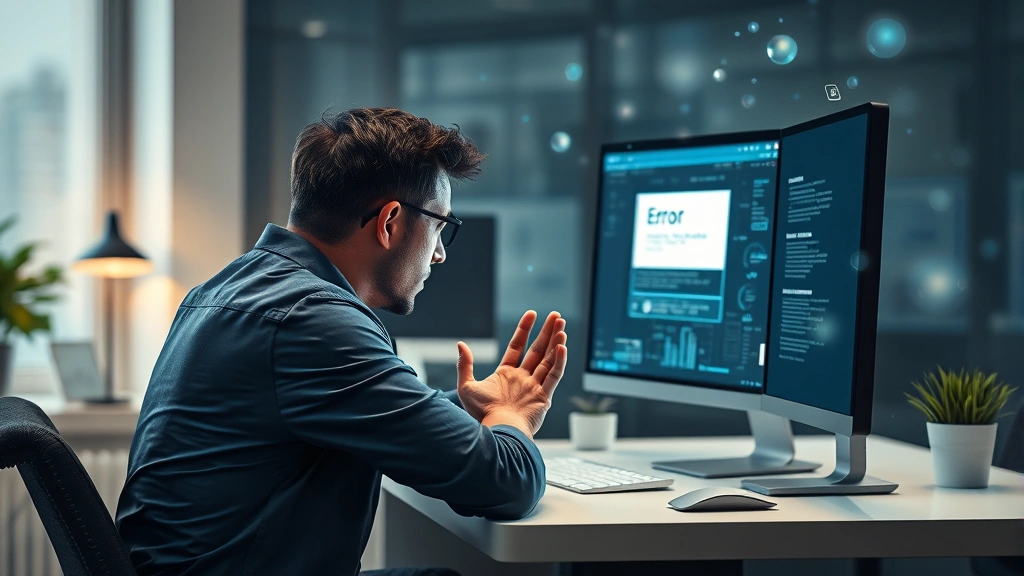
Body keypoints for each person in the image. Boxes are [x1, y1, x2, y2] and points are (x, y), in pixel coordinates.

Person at [115, 108, 568, 576]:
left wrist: (470, 406)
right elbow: (506, 484)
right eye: (439, 226)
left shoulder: (226, 289)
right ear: (390, 222)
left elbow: (350, 407)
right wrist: (514, 415)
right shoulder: (314, 321)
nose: (440, 253)